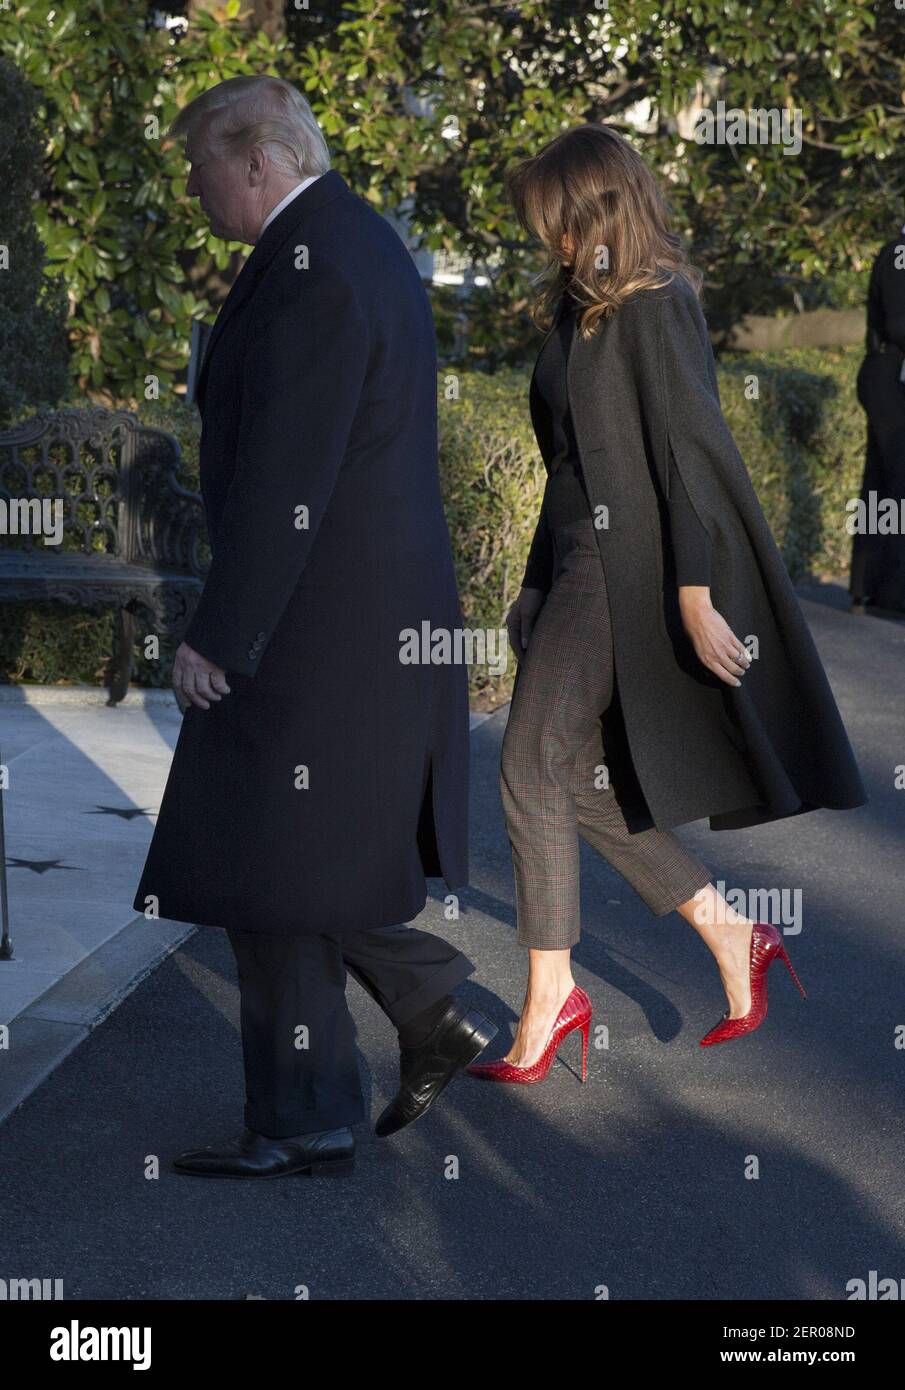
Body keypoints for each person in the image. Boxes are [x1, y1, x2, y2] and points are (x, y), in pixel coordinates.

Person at [132, 76, 496, 1178]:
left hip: (316, 622)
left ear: (256, 161)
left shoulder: (314, 264)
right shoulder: (350, 240)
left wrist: (218, 633)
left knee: (272, 855)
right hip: (344, 615)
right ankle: (343, 1083)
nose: (196, 191)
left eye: (201, 168)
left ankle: (341, 1081)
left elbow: (290, 474)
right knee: (287, 861)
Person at [467, 123, 866, 1085]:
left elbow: (690, 457)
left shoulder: (656, 305)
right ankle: (734, 936)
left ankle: (547, 999)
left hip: (625, 572)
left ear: (598, 210)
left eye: (556, 222)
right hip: (570, 566)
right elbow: (567, 466)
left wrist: (693, 592)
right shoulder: (578, 309)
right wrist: (528, 581)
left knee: (525, 757)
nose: (546, 240)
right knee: (573, 781)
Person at [850, 224, 905, 615]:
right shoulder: (898, 256)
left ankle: (872, 583)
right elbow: (899, 324)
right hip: (889, 376)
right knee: (896, 478)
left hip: (891, 374)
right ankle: (890, 589)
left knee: (885, 480)